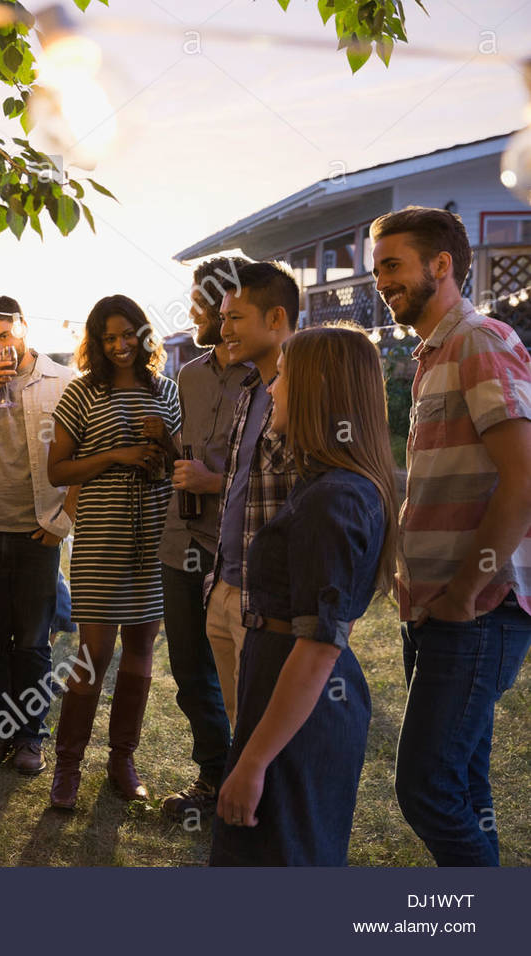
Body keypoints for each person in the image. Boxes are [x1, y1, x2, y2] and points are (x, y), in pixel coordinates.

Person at [374, 206, 531, 866]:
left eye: (392, 265)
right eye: (377, 267)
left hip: (477, 613)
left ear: (441, 266)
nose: (381, 281)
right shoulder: (434, 354)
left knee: (427, 787)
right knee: (464, 786)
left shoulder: (480, 341)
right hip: (438, 610)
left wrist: (467, 590)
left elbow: (523, 479)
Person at [211, 325, 397, 866]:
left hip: (299, 702)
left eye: (284, 377)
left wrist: (252, 763)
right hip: (286, 687)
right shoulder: (328, 484)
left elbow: (318, 646)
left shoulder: (334, 498)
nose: (272, 389)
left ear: (317, 388)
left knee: (282, 857)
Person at [47, 295, 181, 807]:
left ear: (143, 335)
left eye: (129, 334)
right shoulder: (81, 395)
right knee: (94, 652)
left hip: (154, 538)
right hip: (101, 537)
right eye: (110, 337)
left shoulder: (167, 392)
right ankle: (68, 766)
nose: (121, 345)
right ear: (97, 342)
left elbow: (180, 464)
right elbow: (58, 470)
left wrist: (164, 445)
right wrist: (119, 454)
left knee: (142, 652)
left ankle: (122, 761)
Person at [0, 296, 77, 776]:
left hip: (37, 532)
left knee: (33, 641)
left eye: (4, 336)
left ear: (24, 325)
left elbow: (79, 459)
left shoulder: (62, 381)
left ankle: (30, 736)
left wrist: (60, 523)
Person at [159, 257, 252, 822]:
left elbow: (279, 467)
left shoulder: (270, 374)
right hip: (180, 540)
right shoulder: (188, 374)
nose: (195, 311)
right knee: (190, 669)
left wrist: (214, 481)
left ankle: (249, 777)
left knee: (241, 672)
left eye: (205, 302)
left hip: (236, 544)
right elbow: (187, 453)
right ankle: (212, 774)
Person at [206, 261, 301, 726]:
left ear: (276, 318)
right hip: (225, 585)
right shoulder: (249, 389)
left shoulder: (306, 391)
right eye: (222, 318)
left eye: (235, 317)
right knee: (238, 722)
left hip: (270, 602)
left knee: (268, 730)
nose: (223, 329)